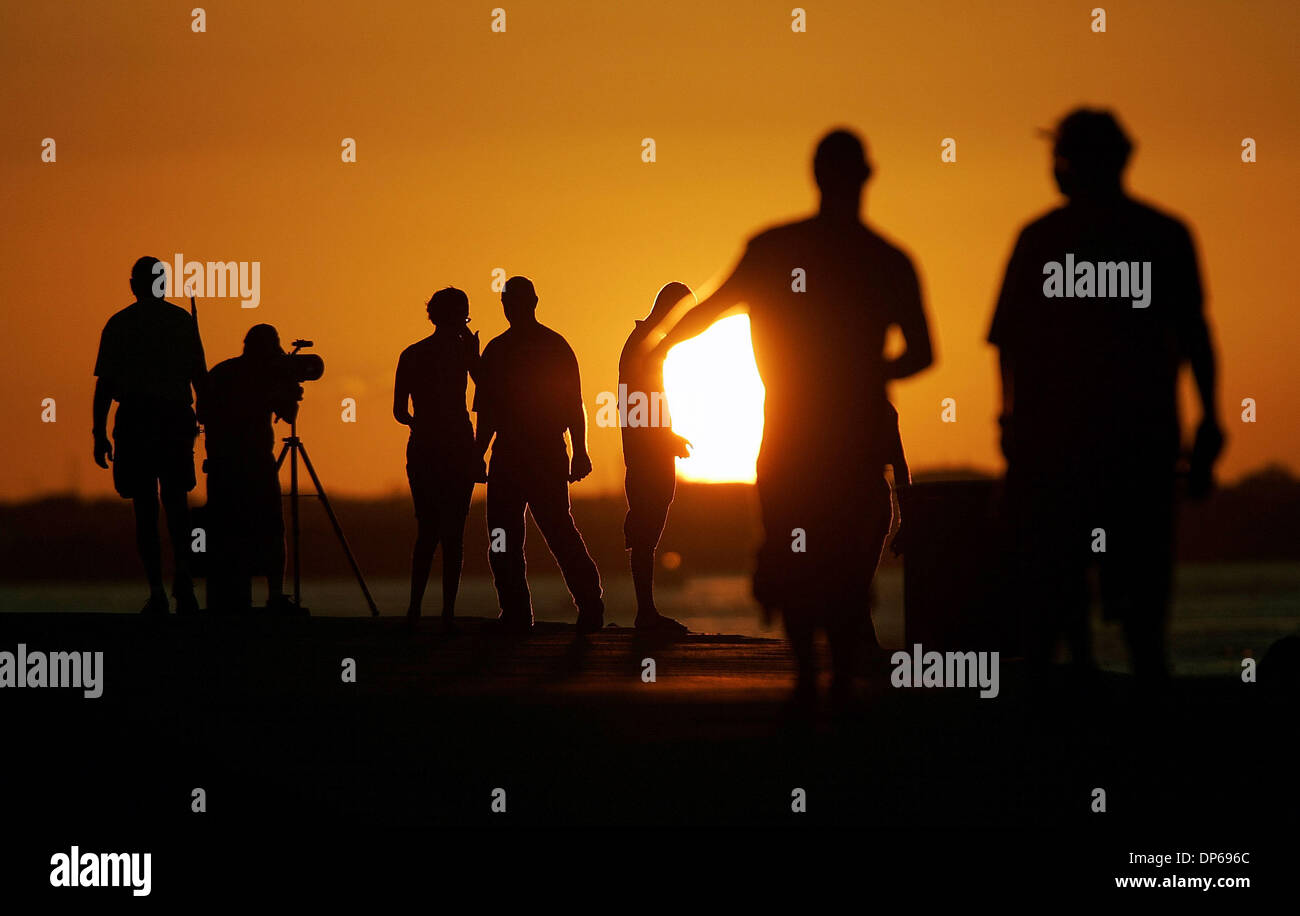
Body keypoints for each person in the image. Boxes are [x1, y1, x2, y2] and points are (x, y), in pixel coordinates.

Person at [648, 130, 933, 706]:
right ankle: (835, 680)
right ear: (866, 178)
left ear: (816, 176)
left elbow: (709, 310)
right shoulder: (888, 259)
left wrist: (658, 346)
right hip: (842, 436)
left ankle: (810, 675)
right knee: (840, 557)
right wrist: (871, 373)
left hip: (792, 431)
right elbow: (925, 353)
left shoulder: (775, 248)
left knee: (797, 547)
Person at [989, 108, 1223, 687]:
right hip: (1138, 448)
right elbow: (1196, 337)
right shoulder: (1163, 236)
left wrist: (1012, 422)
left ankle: (1063, 730)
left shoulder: (1042, 239)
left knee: (1051, 605)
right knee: (1142, 613)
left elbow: (1009, 344)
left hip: (1058, 453)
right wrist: (1210, 422)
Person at [473, 276, 605, 633]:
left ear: (531, 303)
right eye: (508, 302)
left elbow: (573, 403)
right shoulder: (540, 347)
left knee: (554, 530)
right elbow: (488, 412)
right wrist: (478, 454)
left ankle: (587, 604)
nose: (510, 308)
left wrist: (581, 451)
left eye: (513, 302)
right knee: (510, 535)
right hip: (521, 453)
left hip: (537, 452)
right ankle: (520, 611)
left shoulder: (533, 348)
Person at [93, 256, 207, 615]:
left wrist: (99, 432)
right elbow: (200, 381)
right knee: (176, 507)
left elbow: (105, 387)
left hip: (137, 423)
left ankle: (158, 591)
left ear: (134, 285)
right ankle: (183, 586)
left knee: (145, 510)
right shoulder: (181, 322)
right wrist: (205, 421)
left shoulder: (119, 324)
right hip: (173, 421)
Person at [393, 288, 483, 629]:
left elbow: (400, 411)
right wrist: (473, 358)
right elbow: (486, 390)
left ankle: (414, 609)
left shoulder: (412, 354)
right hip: (458, 446)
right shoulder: (462, 352)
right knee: (454, 533)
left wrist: (423, 424)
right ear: (461, 317)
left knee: (426, 529)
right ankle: (448, 612)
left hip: (423, 447)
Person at [201, 324, 302, 613]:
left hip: (222, 463)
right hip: (256, 463)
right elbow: (289, 414)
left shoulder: (221, 371)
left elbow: (203, 413)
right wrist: (285, 388)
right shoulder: (267, 376)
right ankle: (275, 595)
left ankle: (234, 599)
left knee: (228, 530)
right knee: (271, 527)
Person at [618, 282, 695, 634]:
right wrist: (661, 443)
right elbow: (634, 409)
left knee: (647, 534)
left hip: (653, 454)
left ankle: (646, 610)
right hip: (648, 459)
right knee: (646, 536)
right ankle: (645, 612)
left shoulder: (652, 345)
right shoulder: (644, 346)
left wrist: (668, 437)